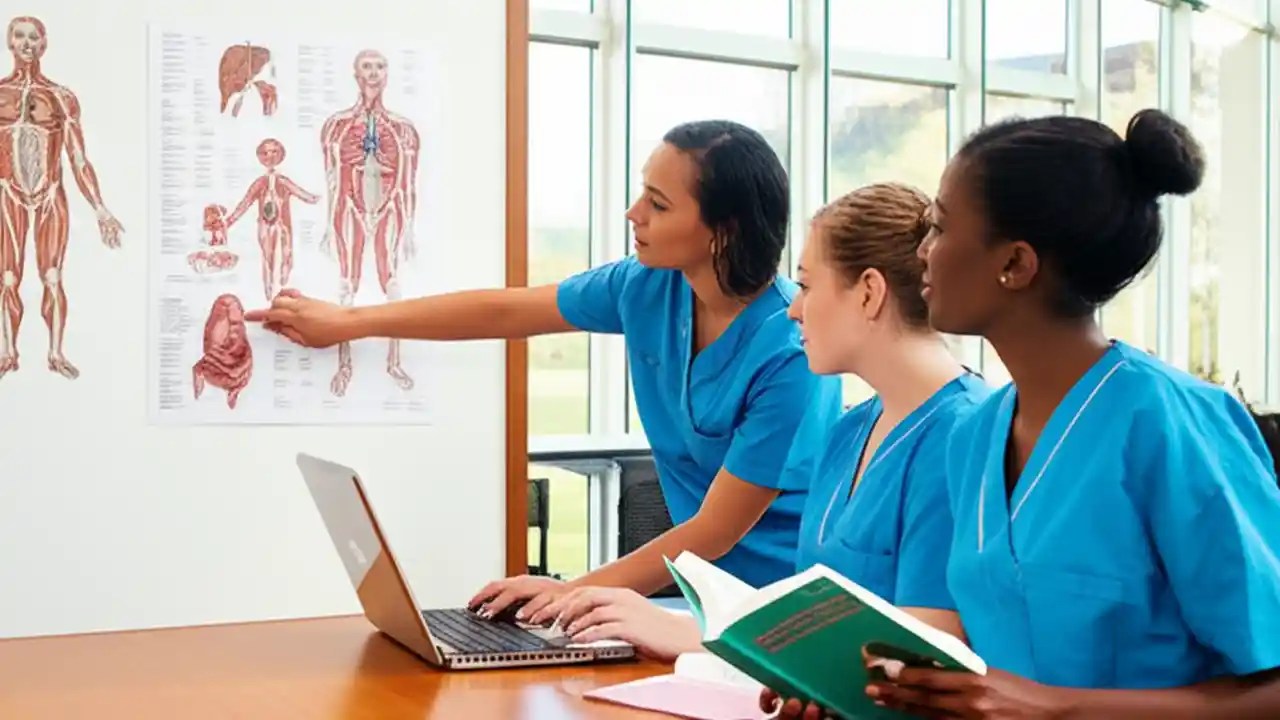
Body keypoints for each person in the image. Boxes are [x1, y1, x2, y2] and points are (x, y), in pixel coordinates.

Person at [246, 119, 843, 620]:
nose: (634, 213)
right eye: (643, 193)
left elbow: (716, 531)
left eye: (658, 204)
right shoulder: (646, 287)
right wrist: (350, 322)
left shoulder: (790, 353)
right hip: (698, 596)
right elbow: (509, 308)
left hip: (779, 612)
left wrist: (574, 591)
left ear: (724, 230)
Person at [817, 109, 1280, 718]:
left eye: (941, 226)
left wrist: (1062, 709)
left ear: (1015, 263)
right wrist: (838, 686)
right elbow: (990, 678)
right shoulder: (975, 436)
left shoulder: (1173, 424)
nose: (924, 252)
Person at [527, 182, 991, 660]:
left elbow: (922, 654)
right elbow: (818, 616)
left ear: (869, 293)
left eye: (808, 286)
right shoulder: (851, 431)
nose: (793, 308)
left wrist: (705, 640)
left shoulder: (964, 436)